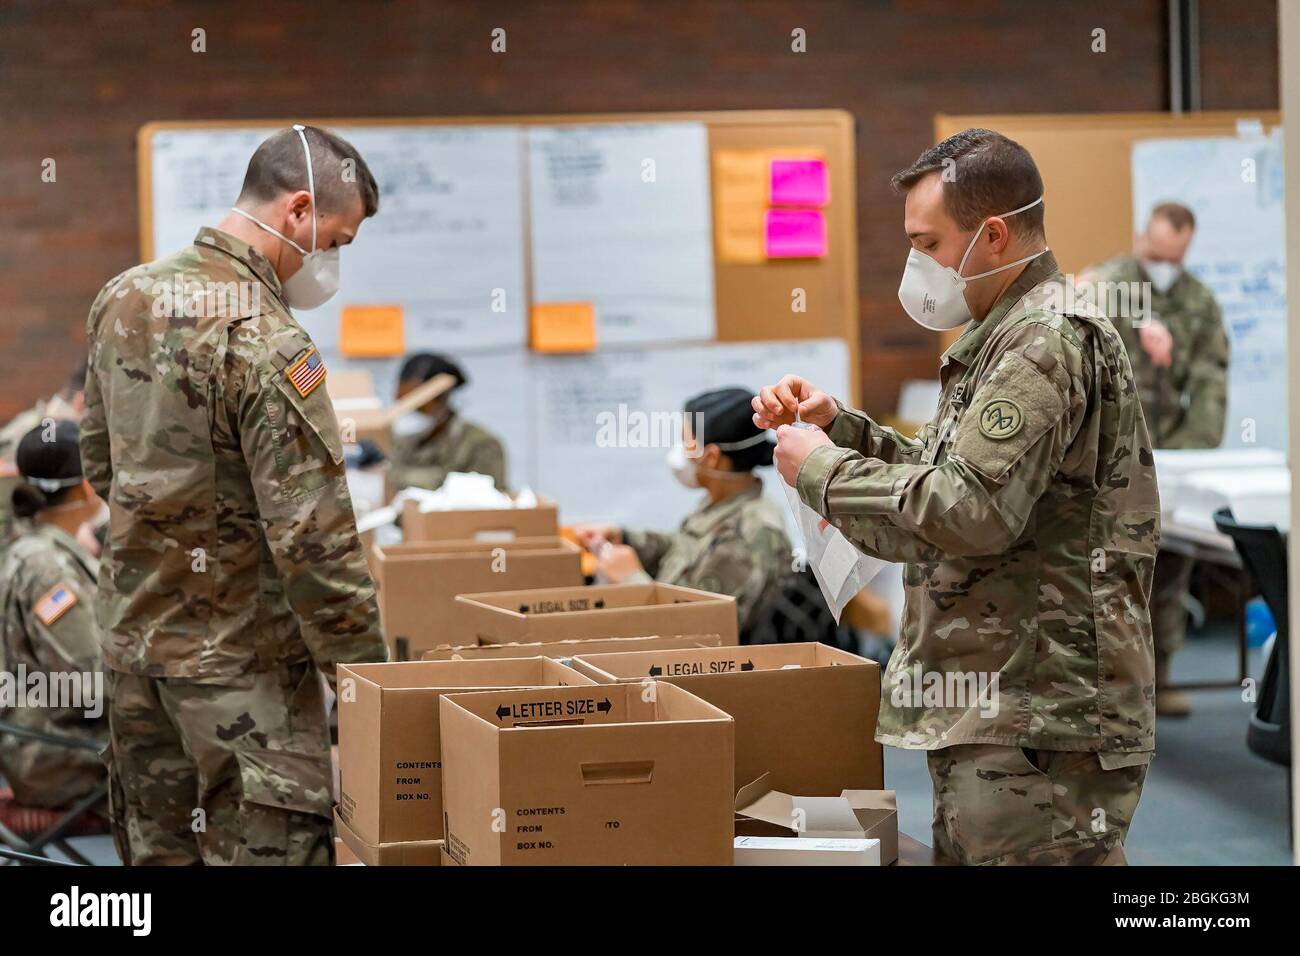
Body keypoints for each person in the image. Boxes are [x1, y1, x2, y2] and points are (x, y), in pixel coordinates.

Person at [754, 129, 1158, 865]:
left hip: (1039, 715)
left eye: (928, 243)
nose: (916, 266)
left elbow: (966, 510)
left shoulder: (1043, 340)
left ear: (994, 234)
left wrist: (822, 472)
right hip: (1001, 703)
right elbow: (956, 474)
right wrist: (840, 432)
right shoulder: (1005, 337)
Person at [80, 125, 388, 865]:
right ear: (298, 211)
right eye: (337, 241)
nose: (333, 262)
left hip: (135, 662)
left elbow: (99, 463)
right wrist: (367, 676)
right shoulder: (269, 341)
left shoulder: (122, 298)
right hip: (242, 678)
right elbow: (312, 541)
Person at [1082, 203, 1229, 718]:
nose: (1164, 264)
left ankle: (1160, 678)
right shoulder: (1106, 285)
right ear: (1142, 237)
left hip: (1171, 458)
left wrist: (1186, 456)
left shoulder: (1199, 302)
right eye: (1156, 253)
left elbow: (1212, 381)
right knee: (1113, 572)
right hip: (1111, 460)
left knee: (1169, 574)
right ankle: (1112, 689)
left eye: (1174, 257)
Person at [576, 388, 792, 638]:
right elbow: (683, 553)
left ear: (711, 457)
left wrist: (630, 578)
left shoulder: (749, 534)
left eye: (686, 441)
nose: (679, 451)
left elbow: (697, 632)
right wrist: (626, 538)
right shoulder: (722, 503)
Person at [0, 422, 107, 809]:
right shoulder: (49, 568)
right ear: (85, 485)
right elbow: (89, 685)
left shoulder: (28, 545)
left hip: (38, 745)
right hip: (61, 758)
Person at [388, 352, 507, 491]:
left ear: (443, 399)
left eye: (417, 404)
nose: (408, 411)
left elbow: (485, 504)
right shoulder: (401, 443)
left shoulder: (480, 445)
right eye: (401, 403)